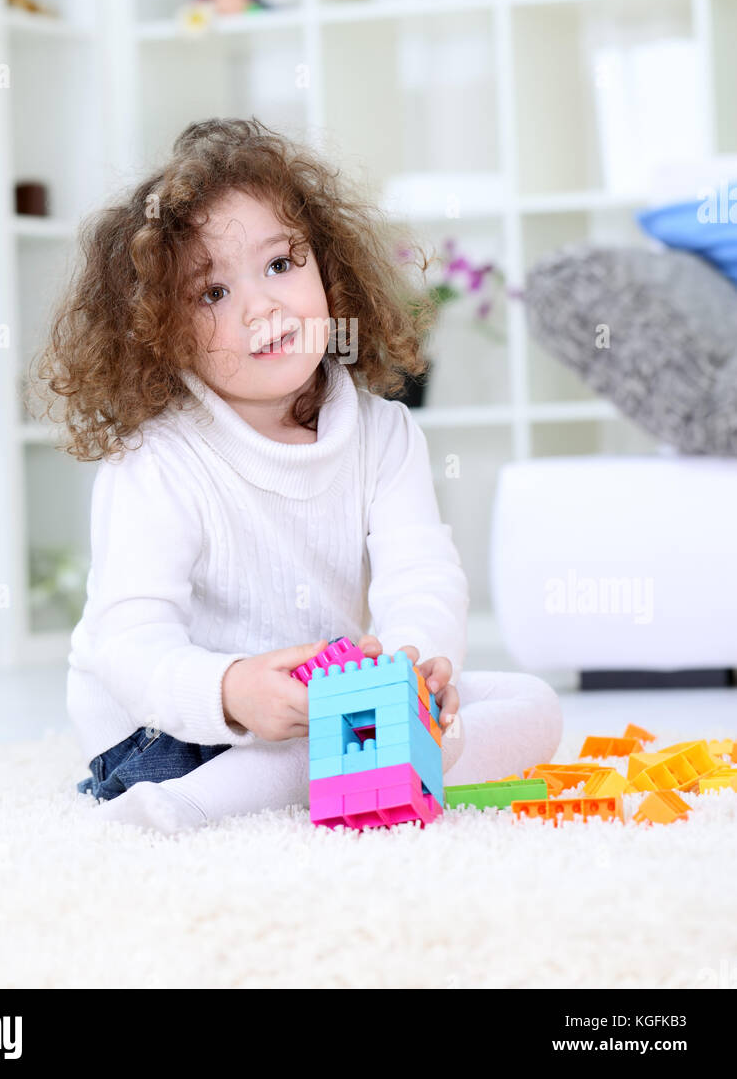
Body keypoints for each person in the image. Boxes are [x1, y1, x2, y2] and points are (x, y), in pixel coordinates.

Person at [33, 117, 562, 835]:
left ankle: (390, 759)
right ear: (159, 328)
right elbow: (128, 641)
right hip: (168, 731)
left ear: (329, 270)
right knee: (301, 750)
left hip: (329, 710)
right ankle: (175, 811)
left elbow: (422, 574)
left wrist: (416, 662)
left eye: (281, 264)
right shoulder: (158, 460)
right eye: (212, 293)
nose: (263, 305)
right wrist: (230, 691)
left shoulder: (385, 433)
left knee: (534, 705)